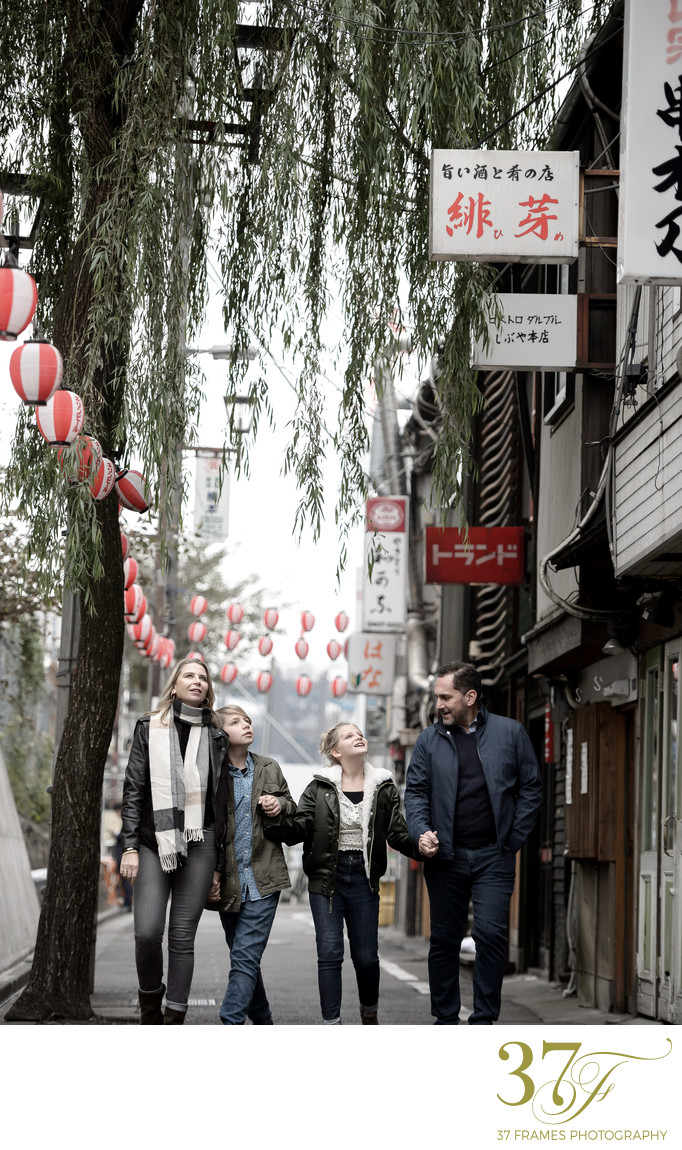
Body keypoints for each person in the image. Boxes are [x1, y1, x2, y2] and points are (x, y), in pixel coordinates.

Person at [404, 661, 542, 1026]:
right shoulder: (428, 740)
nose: (439, 705)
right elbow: (415, 793)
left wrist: (514, 838)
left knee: (491, 934)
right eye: (437, 697)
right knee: (444, 939)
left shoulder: (510, 733)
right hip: (444, 856)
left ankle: (484, 1019)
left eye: (445, 697)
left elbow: (531, 787)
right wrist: (421, 832)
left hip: (494, 855)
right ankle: (446, 1018)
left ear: (470, 697)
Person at [265, 721, 421, 1024]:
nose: (358, 737)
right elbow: (300, 828)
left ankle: (369, 1013)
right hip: (327, 878)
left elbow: (397, 834)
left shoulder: (384, 786)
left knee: (366, 958)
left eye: (359, 734)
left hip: (364, 879)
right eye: (350, 736)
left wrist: (421, 846)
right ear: (336, 751)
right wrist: (276, 816)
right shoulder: (319, 788)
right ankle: (331, 1023)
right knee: (329, 953)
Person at [120, 658, 230, 1024]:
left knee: (182, 936)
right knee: (147, 932)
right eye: (189, 675)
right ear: (174, 685)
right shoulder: (148, 727)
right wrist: (130, 846)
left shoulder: (216, 736)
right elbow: (134, 789)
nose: (197, 681)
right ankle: (150, 1008)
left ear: (208, 689)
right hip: (154, 840)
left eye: (203, 678)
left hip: (201, 840)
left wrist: (218, 866)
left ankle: (174, 1018)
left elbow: (221, 803)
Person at [207, 704, 295, 1025]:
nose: (246, 725)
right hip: (229, 881)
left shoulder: (269, 767)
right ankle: (264, 1021)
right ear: (220, 732)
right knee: (244, 957)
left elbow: (293, 808)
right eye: (235, 722)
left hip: (264, 878)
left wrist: (279, 804)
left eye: (247, 720)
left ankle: (230, 1021)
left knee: (244, 956)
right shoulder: (213, 771)